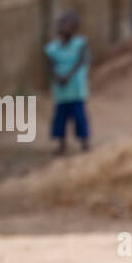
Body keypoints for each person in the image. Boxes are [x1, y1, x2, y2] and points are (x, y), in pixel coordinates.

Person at [45, 10, 91, 155]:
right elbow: (49, 66)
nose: (65, 28)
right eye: (63, 24)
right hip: (61, 92)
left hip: (76, 90)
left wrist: (68, 76)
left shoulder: (80, 44)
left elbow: (81, 61)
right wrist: (58, 77)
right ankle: (61, 145)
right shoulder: (52, 48)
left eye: (69, 25)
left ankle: (85, 143)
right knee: (60, 120)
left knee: (79, 118)